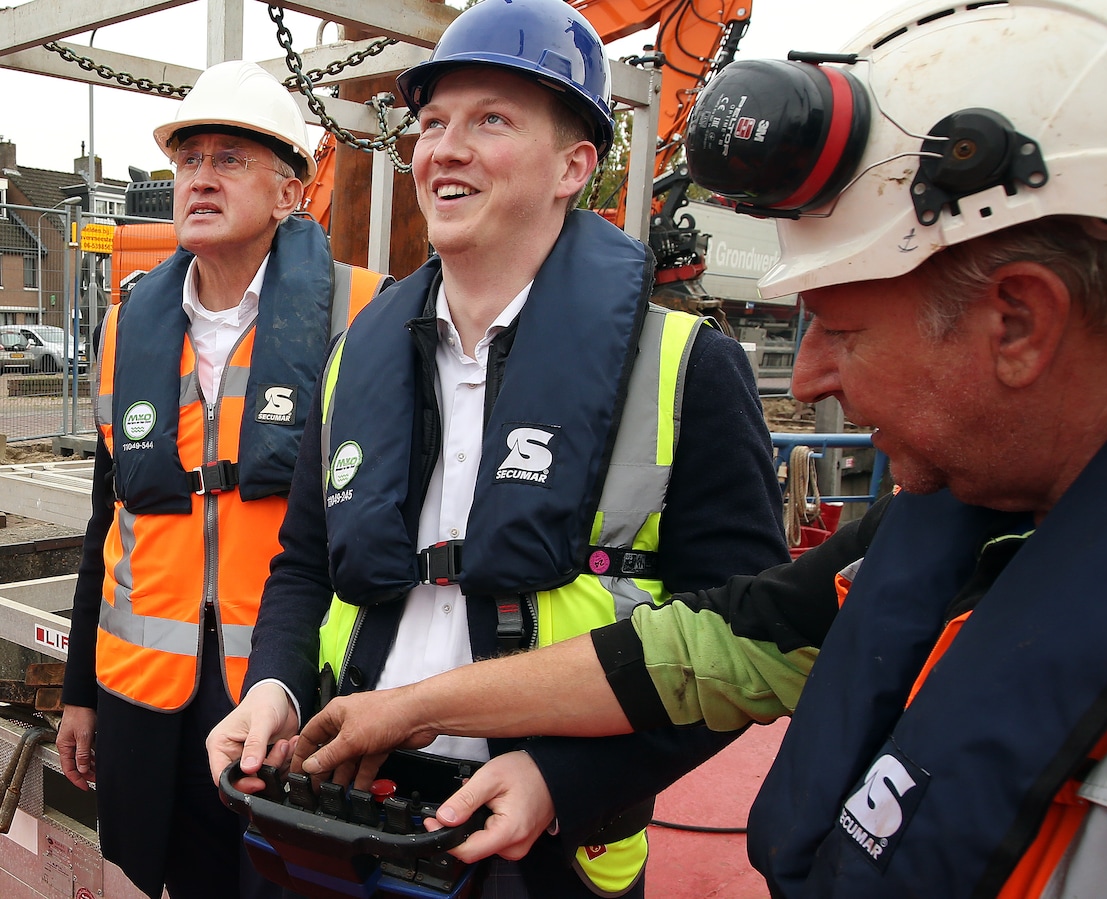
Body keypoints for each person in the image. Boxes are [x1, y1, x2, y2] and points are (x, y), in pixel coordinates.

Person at [285, 0, 1107, 896]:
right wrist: (409, 707)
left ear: (1020, 320)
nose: (809, 381)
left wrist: (559, 778)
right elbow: (711, 645)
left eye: (840, 326)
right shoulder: (976, 516)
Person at [205, 0, 788, 896]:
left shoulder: (687, 368)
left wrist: (568, 784)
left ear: (574, 166)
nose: (445, 148)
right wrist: (273, 690)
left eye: (491, 120)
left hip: (545, 838)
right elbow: (304, 563)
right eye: (433, 122)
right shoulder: (352, 356)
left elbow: (742, 641)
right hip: (345, 804)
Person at [53, 60, 389, 899]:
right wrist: (79, 696)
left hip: (291, 691)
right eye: (188, 160)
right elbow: (110, 523)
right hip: (148, 702)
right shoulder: (130, 326)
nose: (200, 178)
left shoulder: (366, 313)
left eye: (229, 159)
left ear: (288, 195)